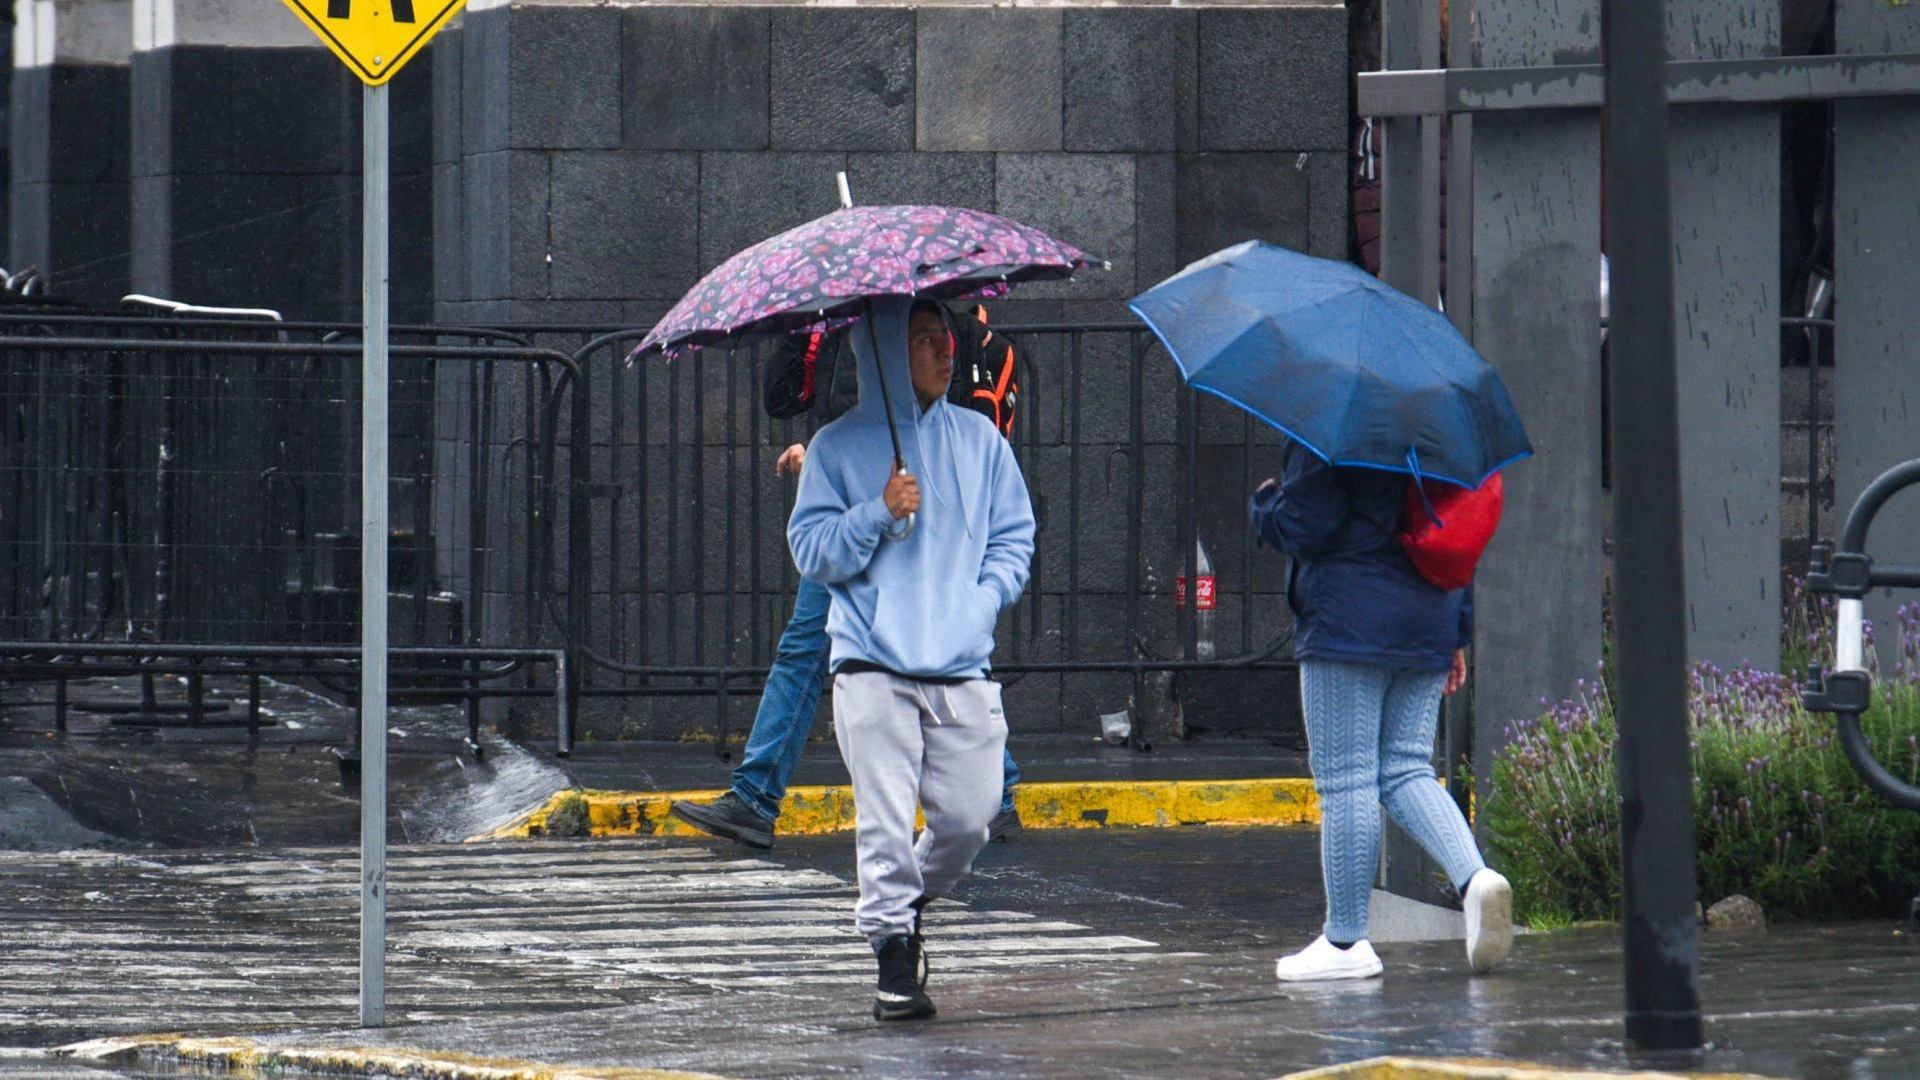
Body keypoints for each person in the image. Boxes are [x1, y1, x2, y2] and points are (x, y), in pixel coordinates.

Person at [671, 320, 1023, 851]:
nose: (940, 348)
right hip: (864, 511)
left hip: (917, 514)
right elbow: (787, 396)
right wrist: (827, 452)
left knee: (926, 650)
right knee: (815, 648)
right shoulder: (848, 324)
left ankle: (757, 796)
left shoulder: (926, 321)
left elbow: (951, 433)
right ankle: (757, 796)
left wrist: (985, 593)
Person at [787, 296, 1034, 1021]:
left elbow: (1014, 537)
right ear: (888, 352)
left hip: (958, 660)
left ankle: (902, 908)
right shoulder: (836, 447)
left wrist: (982, 601)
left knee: (968, 817)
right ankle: (892, 953)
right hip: (869, 662)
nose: (945, 352)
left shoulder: (981, 442)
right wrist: (877, 512)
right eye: (925, 341)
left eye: (946, 338)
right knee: (887, 822)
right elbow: (810, 550)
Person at [1249, 442, 1512, 982]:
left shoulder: (1331, 420)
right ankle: (1476, 879)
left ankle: (1346, 943)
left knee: (1347, 780)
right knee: (1407, 769)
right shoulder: (1438, 423)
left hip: (1349, 616)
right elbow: (1459, 527)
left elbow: (1309, 523)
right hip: (1430, 614)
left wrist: (1265, 507)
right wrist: (1456, 633)